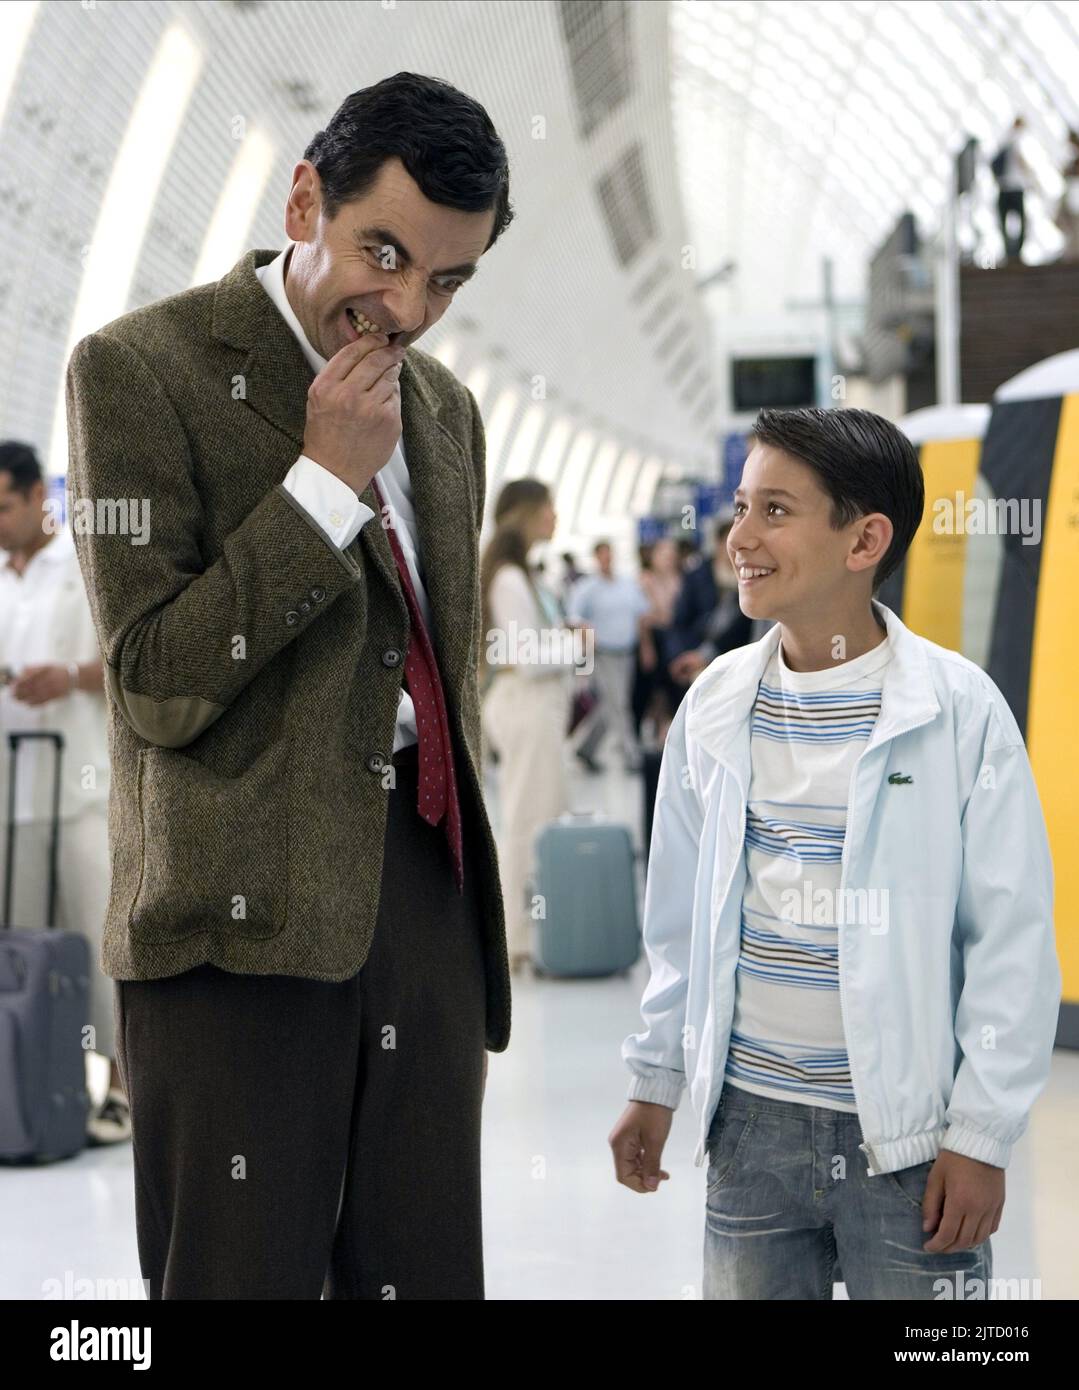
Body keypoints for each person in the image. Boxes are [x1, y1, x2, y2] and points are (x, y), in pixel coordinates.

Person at [66, 72, 514, 1299]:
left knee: (422, 1275)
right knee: (236, 1278)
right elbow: (156, 681)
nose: (407, 307)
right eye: (385, 252)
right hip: (234, 925)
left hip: (420, 902)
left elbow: (439, 659)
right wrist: (321, 483)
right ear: (304, 197)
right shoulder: (139, 370)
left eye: (447, 279)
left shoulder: (448, 412)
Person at [610, 405, 1061, 1300]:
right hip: (747, 1131)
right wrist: (655, 1076)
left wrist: (981, 1135)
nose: (738, 536)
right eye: (740, 507)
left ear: (865, 541)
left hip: (908, 1142)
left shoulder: (958, 712)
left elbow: (1010, 940)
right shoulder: (715, 707)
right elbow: (676, 919)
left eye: (774, 511)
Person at [0, 442, 124, 1144]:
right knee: (21, 954)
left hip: (80, 789)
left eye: (4, 507)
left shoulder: (85, 566)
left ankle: (122, 1089)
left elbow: (132, 661)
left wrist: (71, 677)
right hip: (9, 798)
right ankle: (33, 1084)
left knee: (99, 943)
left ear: (38, 497)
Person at [479, 479, 581, 973]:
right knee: (527, 822)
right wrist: (575, 645)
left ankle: (534, 934)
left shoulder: (524, 576)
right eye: (549, 508)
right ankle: (515, 939)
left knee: (541, 814)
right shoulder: (509, 580)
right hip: (525, 705)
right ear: (526, 513)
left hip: (537, 707)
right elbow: (524, 656)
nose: (555, 518)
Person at [565, 540, 649, 774]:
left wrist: (645, 648)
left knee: (611, 704)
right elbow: (573, 618)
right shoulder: (588, 588)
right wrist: (586, 639)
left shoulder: (626, 584)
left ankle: (586, 748)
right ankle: (632, 755)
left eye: (608, 554)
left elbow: (641, 615)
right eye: (601, 555)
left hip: (627, 652)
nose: (606, 559)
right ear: (596, 558)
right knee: (619, 704)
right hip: (604, 653)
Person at [668, 515, 754, 687]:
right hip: (696, 652)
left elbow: (746, 624)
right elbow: (680, 620)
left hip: (737, 657)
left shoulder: (753, 575)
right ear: (718, 543)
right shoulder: (698, 575)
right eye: (730, 541)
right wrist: (682, 655)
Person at [636, 536, 684, 742]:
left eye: (671, 556)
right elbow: (645, 617)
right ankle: (658, 730)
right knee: (656, 689)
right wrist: (646, 648)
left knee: (674, 684)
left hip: (675, 639)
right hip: (655, 639)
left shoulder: (681, 579)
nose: (668, 560)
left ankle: (671, 728)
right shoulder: (646, 580)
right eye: (663, 555)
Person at [991, 116, 1035, 261]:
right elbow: (1019, 161)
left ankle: (1009, 251)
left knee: (1004, 222)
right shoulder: (1014, 140)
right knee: (1021, 221)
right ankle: (1015, 252)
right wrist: (1030, 178)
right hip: (1015, 188)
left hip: (1003, 187)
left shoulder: (1004, 139)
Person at [1054, 127, 1079, 261]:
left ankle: (1074, 252)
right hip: (1072, 194)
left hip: (1075, 195)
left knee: (1074, 224)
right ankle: (1072, 250)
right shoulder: (1072, 157)